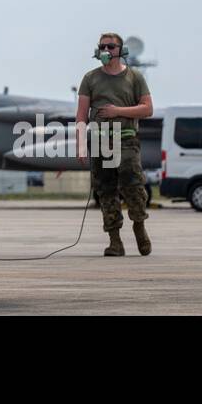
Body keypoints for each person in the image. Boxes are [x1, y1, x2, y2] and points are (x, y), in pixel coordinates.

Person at [76, 33, 153, 257]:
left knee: (133, 184)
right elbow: (81, 115)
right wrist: (81, 144)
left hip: (126, 137)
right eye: (102, 46)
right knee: (105, 190)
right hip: (100, 139)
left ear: (121, 50)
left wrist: (117, 111)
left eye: (111, 45)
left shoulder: (134, 77)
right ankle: (115, 241)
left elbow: (147, 109)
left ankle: (139, 224)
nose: (106, 49)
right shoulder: (90, 78)